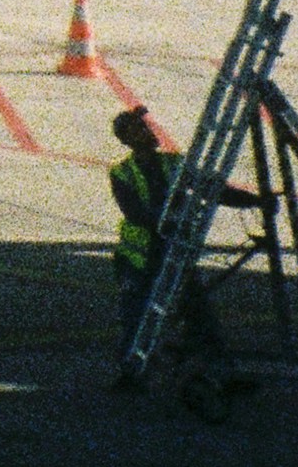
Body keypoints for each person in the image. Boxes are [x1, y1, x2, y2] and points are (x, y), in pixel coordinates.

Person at [108, 105, 257, 382]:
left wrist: (253, 201)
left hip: (172, 252)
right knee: (136, 318)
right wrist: (172, 221)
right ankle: (130, 373)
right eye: (139, 129)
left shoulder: (173, 163)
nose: (149, 131)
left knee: (199, 314)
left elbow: (212, 189)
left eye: (147, 126)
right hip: (140, 259)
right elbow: (135, 213)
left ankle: (222, 372)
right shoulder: (122, 173)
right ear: (128, 139)